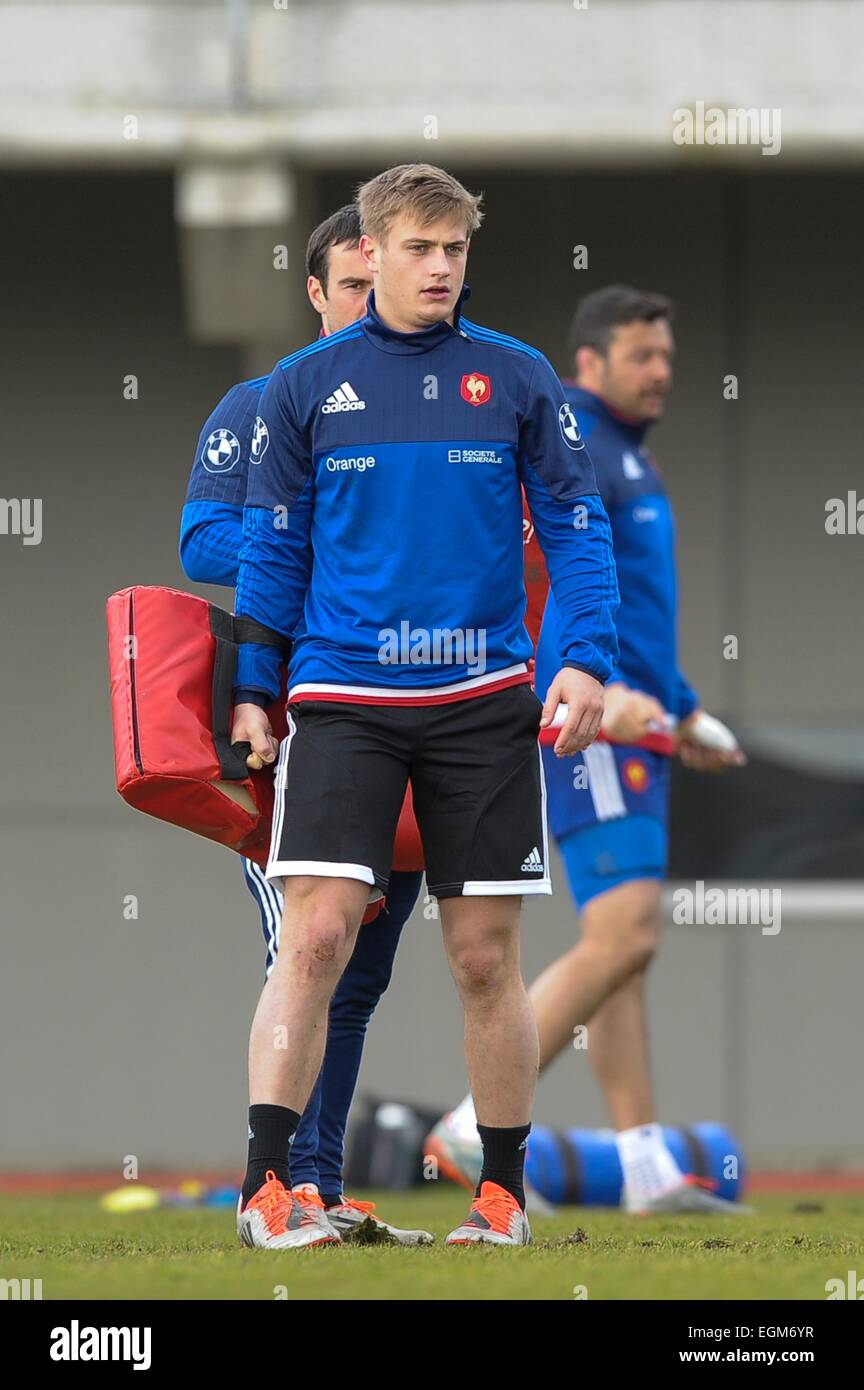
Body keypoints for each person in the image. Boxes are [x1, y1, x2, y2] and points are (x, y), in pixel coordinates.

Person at [230, 163, 619, 1249]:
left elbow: (580, 529)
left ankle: (501, 1197)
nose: (441, 266)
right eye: (420, 247)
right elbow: (270, 551)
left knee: (486, 957)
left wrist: (583, 657)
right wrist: (254, 693)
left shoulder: (520, 376)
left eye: (456, 249)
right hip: (342, 701)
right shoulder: (303, 388)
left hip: (483, 703)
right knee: (314, 938)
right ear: (375, 249)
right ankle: (268, 1192)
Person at [427, 285, 746, 1215]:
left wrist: (681, 711)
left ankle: (644, 1163)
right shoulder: (577, 442)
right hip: (596, 719)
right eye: (642, 356)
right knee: (626, 934)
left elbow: (638, 608)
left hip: (640, 721)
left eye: (668, 359)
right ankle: (462, 1126)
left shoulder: (628, 457)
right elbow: (562, 579)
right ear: (590, 362)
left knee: (624, 952)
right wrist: (594, 688)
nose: (661, 374)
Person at [180, 205, 430, 1244]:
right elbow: (202, 541)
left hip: (420, 708)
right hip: (288, 714)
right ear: (319, 295)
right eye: (355, 288)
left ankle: (317, 1187)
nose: (373, 307)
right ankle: (270, 1189)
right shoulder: (262, 400)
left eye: (389, 285)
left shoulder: (436, 401)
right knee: (309, 940)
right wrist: (325, 516)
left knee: (366, 969)